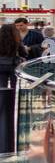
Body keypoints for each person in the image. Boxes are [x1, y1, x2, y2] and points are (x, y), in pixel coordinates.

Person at [0, 24, 22, 153]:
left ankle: (2, 106)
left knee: (2, 88)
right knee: (14, 88)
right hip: (13, 67)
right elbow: (24, 52)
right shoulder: (16, 40)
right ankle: (12, 104)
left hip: (0, 67)